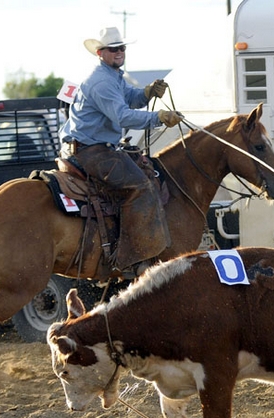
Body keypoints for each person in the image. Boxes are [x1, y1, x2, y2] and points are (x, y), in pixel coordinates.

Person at [59, 27, 185, 277]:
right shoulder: (101, 82)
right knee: (140, 186)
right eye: (113, 48)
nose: (119, 52)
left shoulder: (113, 76)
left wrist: (147, 93)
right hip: (90, 151)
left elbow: (131, 98)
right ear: (100, 53)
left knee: (145, 173)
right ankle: (130, 257)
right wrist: (159, 117)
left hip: (97, 147)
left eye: (122, 48)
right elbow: (123, 115)